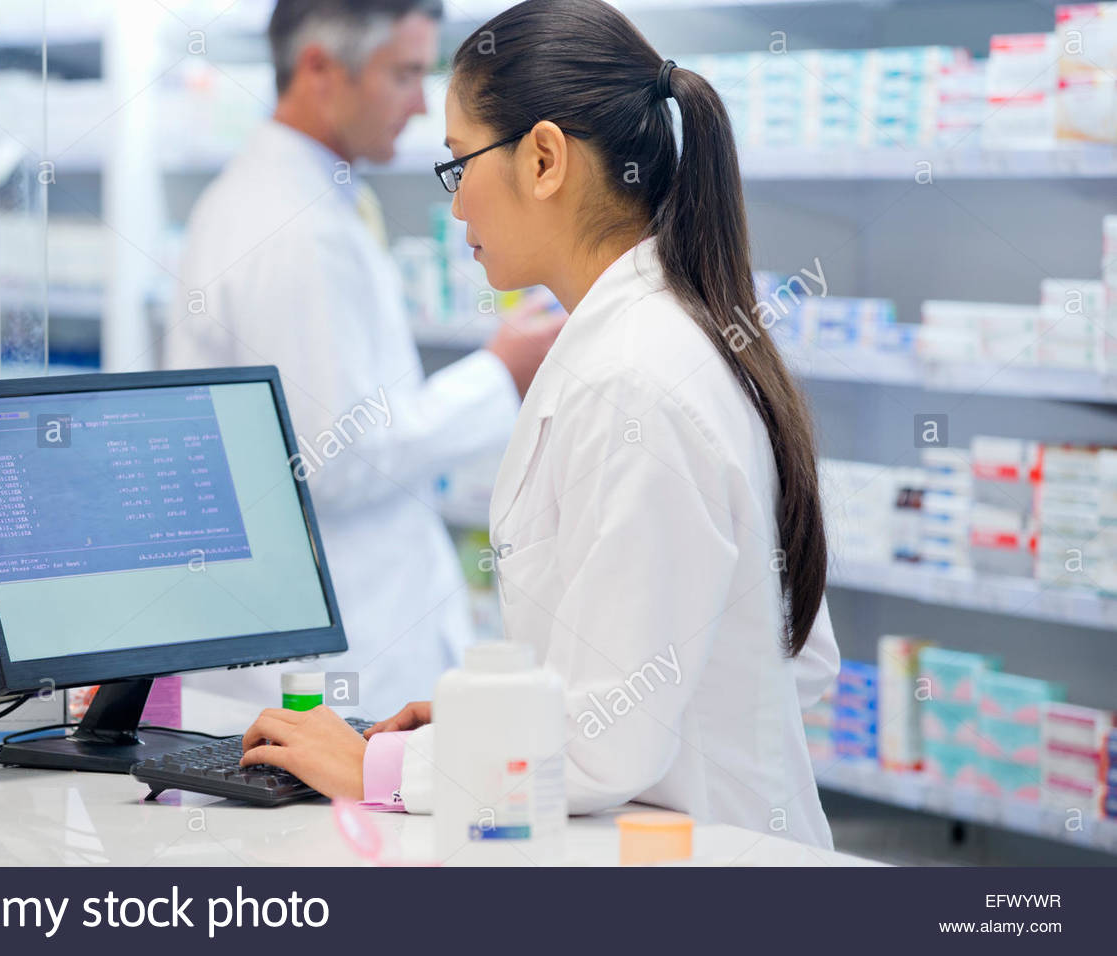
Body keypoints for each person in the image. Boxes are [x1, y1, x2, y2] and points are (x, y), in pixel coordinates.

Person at [237, 0, 842, 850]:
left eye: (460, 166)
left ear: (546, 158)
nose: (456, 211)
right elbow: (795, 665)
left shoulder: (635, 380)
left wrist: (376, 771)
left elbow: (606, 742)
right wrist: (489, 722)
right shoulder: (678, 333)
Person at [163, 0, 564, 720]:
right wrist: (499, 374)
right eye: (405, 74)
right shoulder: (294, 231)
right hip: (337, 657)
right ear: (320, 69)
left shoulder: (299, 198)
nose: (420, 103)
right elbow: (335, 455)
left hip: (337, 633)